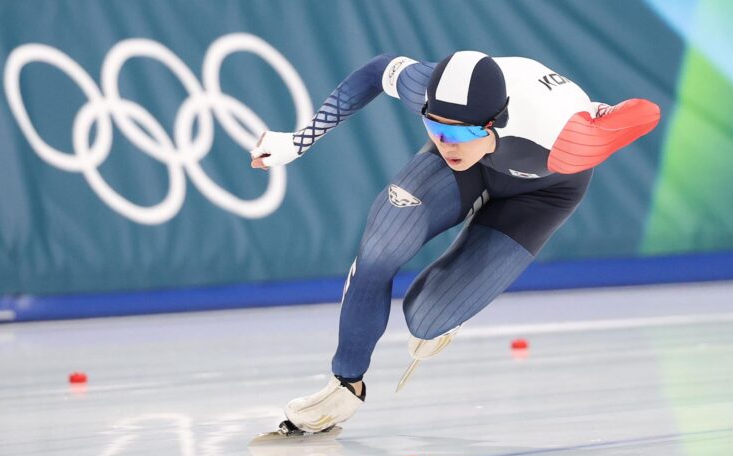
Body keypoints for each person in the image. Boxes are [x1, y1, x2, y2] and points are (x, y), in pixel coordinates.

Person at [250, 51, 660, 435]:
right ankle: (346, 383)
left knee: (426, 318)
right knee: (380, 248)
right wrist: (299, 140)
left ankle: (450, 304)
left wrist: (600, 117)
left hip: (543, 194)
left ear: (494, 122)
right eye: (434, 126)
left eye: (455, 132)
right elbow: (378, 70)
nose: (444, 142)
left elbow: (647, 112)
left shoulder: (568, 138)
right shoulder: (432, 95)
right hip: (474, 168)